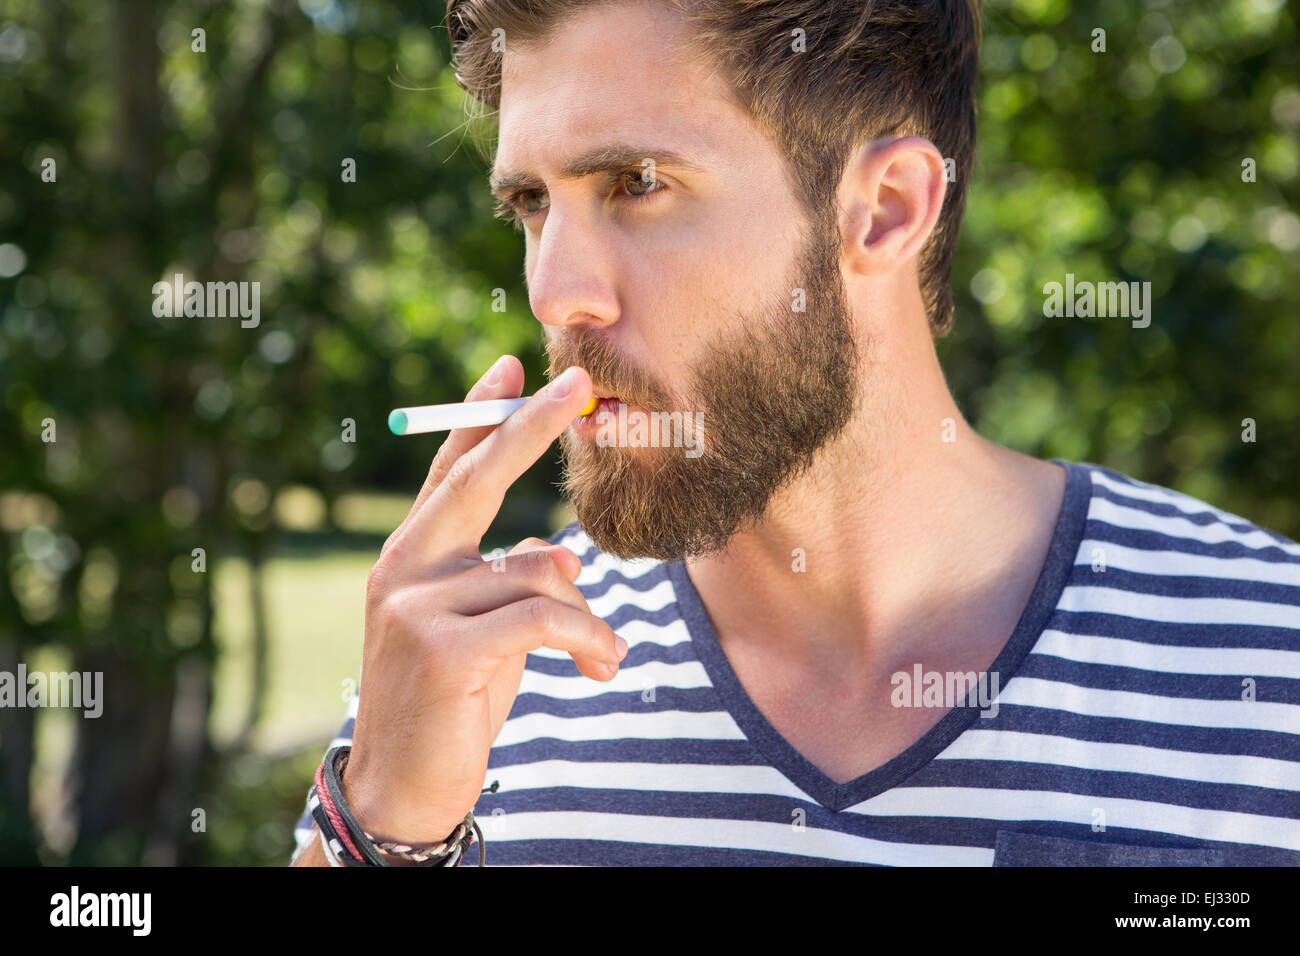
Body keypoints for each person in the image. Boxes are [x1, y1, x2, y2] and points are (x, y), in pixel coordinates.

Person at [291, 0, 1300, 866]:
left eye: (637, 186)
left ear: (885, 210)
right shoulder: (463, 679)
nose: (558, 294)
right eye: (530, 203)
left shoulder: (1268, 666)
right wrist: (381, 823)